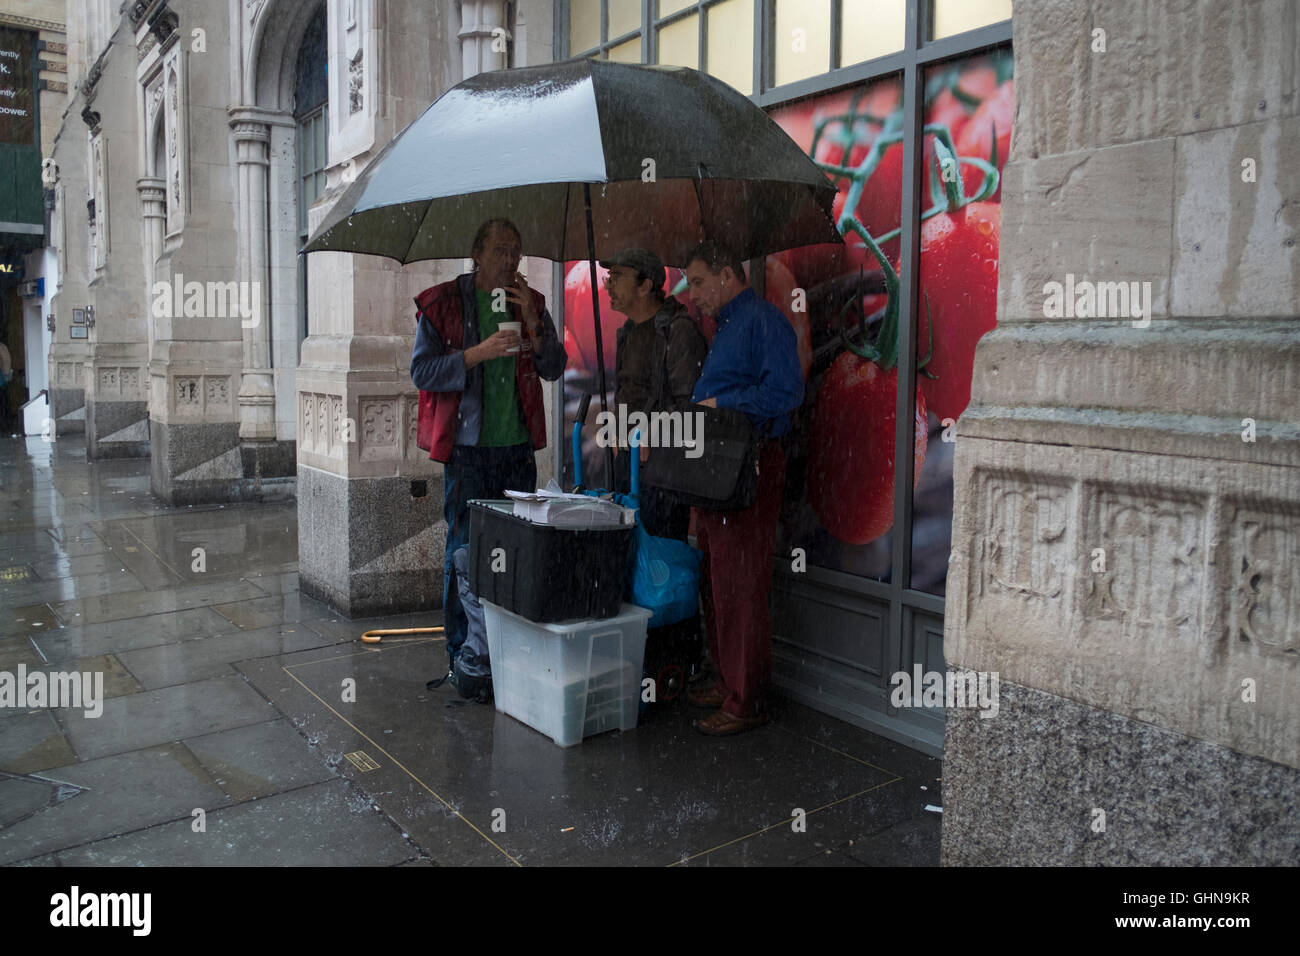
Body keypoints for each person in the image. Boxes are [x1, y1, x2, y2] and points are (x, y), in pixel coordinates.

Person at [410, 218, 567, 682]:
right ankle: (463, 655)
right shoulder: (443, 304)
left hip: (517, 448)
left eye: (516, 251)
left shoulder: (531, 303)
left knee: (516, 549)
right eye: (500, 251)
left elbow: (555, 368)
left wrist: (535, 326)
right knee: (463, 550)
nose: (509, 260)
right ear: (477, 253)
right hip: (468, 451)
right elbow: (421, 373)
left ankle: (506, 647)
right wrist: (477, 353)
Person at [681, 240, 804, 736]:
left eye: (698, 282)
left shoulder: (763, 321)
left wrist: (720, 403)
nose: (692, 295)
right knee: (717, 576)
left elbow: (786, 392)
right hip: (720, 466)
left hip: (749, 465)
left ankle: (746, 700)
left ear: (728, 274)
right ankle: (729, 679)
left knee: (740, 583)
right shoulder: (727, 326)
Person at [600, 248, 707, 541]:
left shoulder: (679, 331)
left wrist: (652, 433)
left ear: (645, 286)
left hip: (663, 472)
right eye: (610, 276)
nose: (608, 284)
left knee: (658, 561)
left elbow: (692, 405)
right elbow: (629, 389)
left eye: (617, 277)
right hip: (627, 464)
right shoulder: (628, 331)